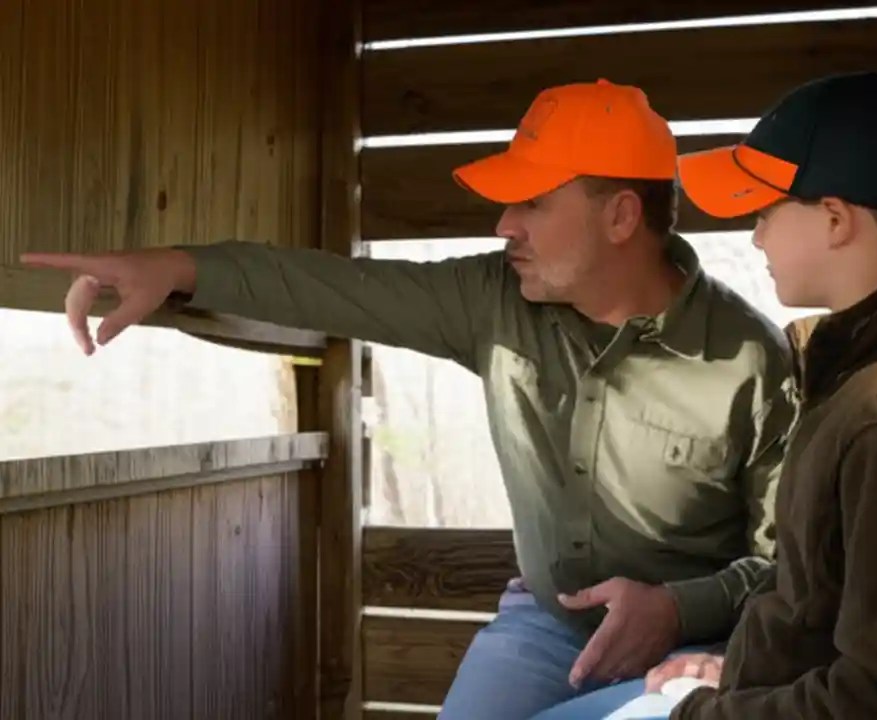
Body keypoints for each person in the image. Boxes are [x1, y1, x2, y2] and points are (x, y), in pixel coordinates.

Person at [21, 79, 797, 720]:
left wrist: (677, 606)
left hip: (693, 649)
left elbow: (787, 566)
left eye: (531, 202)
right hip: (547, 624)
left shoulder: (749, 359)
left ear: (621, 215)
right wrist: (176, 266)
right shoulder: (493, 299)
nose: (505, 225)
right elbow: (338, 289)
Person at [535, 72, 877, 720]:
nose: (756, 237)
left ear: (834, 220)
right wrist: (737, 673)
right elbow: (836, 621)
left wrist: (701, 715)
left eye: (765, 211)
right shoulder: (872, 382)